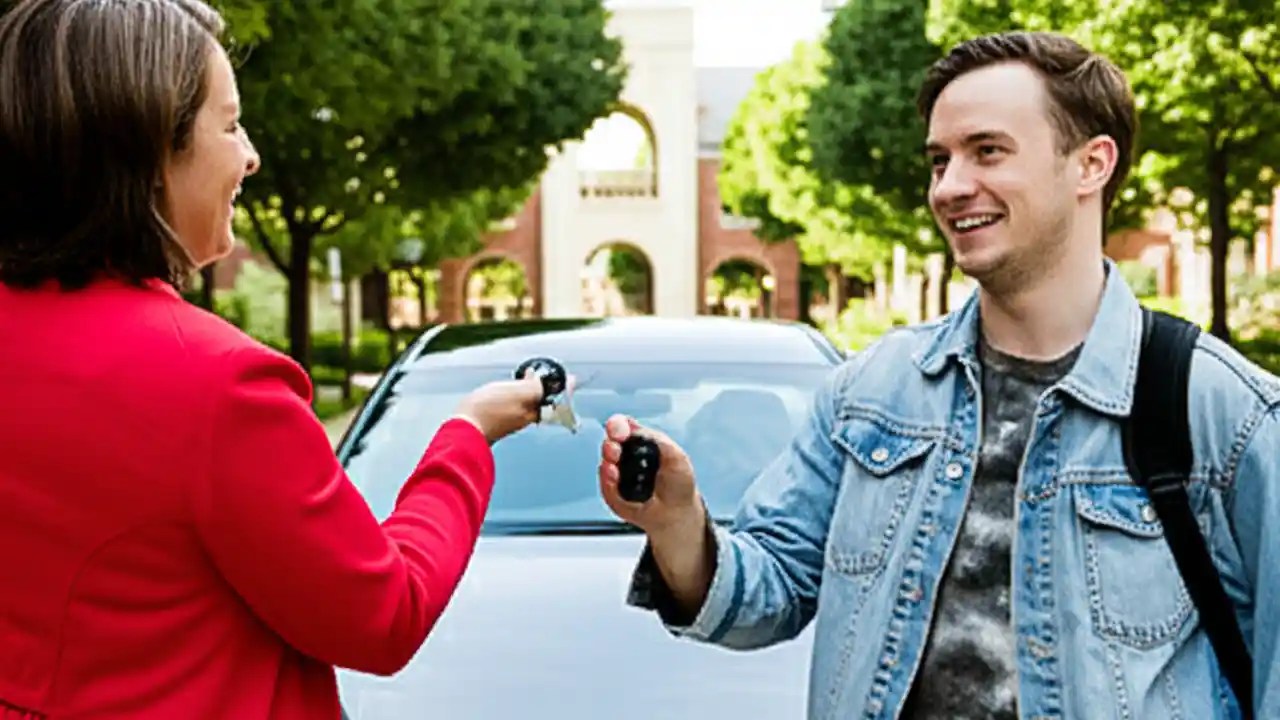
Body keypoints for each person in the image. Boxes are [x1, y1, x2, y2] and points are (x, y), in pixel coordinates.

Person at [599, 31, 1279, 720]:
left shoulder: (1227, 415)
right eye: (939, 160)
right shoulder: (871, 395)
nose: (950, 187)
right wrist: (678, 523)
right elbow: (765, 597)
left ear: (1090, 165)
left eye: (987, 151)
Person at [0, 1, 546, 717]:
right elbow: (384, 615)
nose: (250, 154)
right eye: (228, 126)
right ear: (149, 152)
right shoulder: (215, 382)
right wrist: (466, 438)